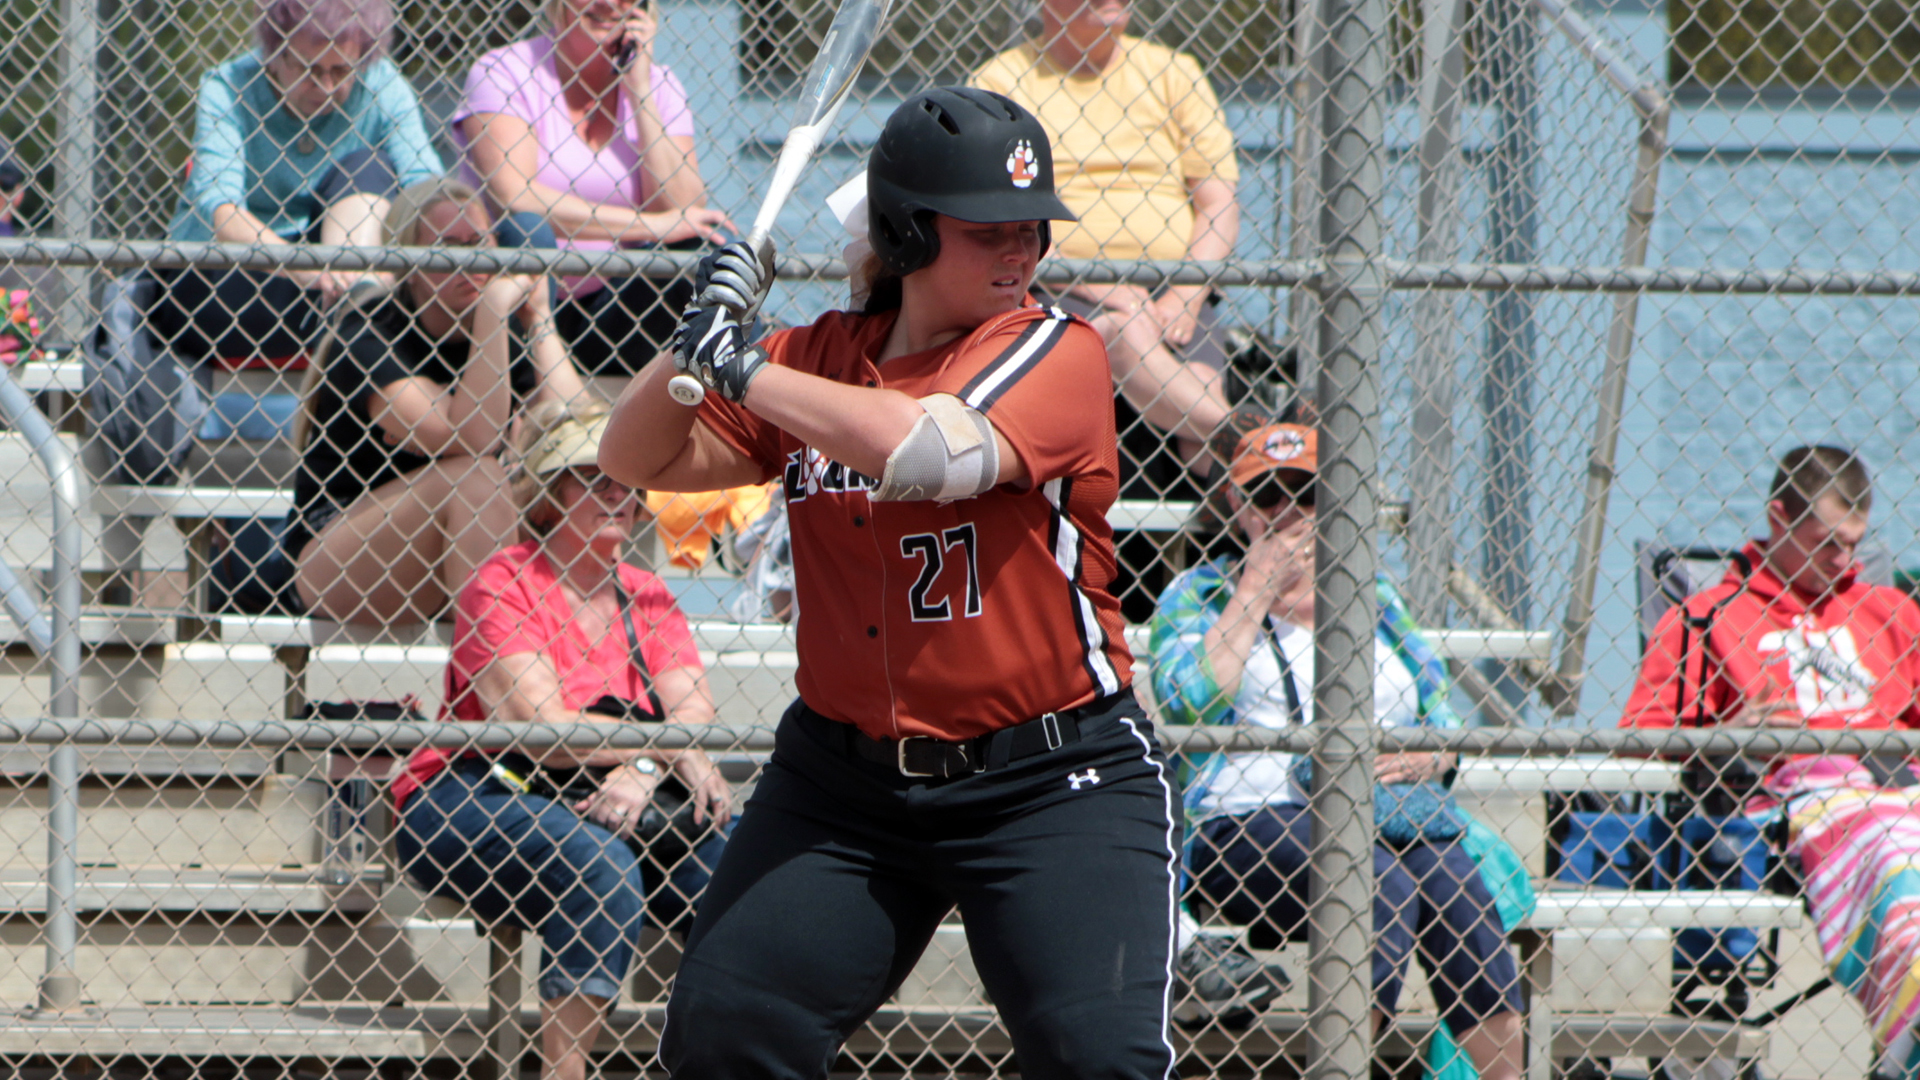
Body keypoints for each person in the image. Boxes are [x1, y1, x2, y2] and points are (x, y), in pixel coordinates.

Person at [599, 87, 1178, 1079]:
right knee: (726, 1034)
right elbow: (638, 454)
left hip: (1051, 777)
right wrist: (692, 341)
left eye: (1032, 229)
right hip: (845, 786)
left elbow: (931, 452)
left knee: (1097, 1060)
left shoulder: (1055, 347)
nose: (1022, 252)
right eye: (988, 230)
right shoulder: (816, 358)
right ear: (906, 234)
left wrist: (741, 367)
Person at [1152, 423, 1525, 1079]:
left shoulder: (1373, 598)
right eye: (1266, 495)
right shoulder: (1201, 596)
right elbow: (1189, 702)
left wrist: (1427, 756)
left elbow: (1441, 714)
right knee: (1372, 878)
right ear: (1237, 508)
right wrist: (1255, 593)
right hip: (1248, 821)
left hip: (1380, 810)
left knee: (1457, 885)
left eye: (1306, 492)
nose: (1287, 510)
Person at [394, 400, 732, 1080]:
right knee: (597, 860)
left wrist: (642, 764)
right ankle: (565, 1072)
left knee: (737, 858)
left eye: (624, 482)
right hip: (470, 788)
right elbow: (543, 729)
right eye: (591, 478)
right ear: (551, 493)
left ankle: (730, 1059)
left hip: (607, 789)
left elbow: (697, 710)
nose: (615, 494)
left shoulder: (648, 594)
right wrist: (665, 750)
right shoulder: (503, 581)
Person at [1620, 446, 1920, 1077]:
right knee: (1894, 850)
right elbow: (1634, 739)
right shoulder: (1707, 617)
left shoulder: (1890, 613)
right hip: (1794, 798)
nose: (1844, 560)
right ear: (1778, 519)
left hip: (1898, 782)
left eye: (1854, 544)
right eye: (1827, 543)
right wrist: (1726, 734)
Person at [971, 0, 1243, 619]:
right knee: (1122, 330)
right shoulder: (1005, 82)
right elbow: (1001, 213)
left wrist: (1187, 293)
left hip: (1176, 290)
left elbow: (1217, 202)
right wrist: (1100, 285)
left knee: (1195, 401)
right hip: (1054, 281)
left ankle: (1225, 579)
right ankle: (1245, 438)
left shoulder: (1173, 71)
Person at [284, 177, 587, 625]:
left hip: (460, 553)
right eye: (449, 247)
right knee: (478, 479)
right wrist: (494, 307)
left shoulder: (503, 331)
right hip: (345, 552)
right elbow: (474, 438)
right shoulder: (370, 335)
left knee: (583, 483)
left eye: (478, 243)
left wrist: (540, 318)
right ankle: (505, 674)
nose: (471, 261)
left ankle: (521, 666)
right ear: (409, 260)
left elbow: (583, 430)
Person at [151, 0, 445, 367]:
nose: (325, 86)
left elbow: (430, 190)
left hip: (340, 281)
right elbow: (224, 215)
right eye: (310, 69)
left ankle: (359, 307)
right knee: (380, 324)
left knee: (369, 166)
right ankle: (361, 317)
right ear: (273, 55)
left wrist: (388, 272)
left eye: (341, 70)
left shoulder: (382, 84)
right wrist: (313, 270)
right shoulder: (227, 86)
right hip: (229, 281)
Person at [457, 0, 736, 376]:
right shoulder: (504, 71)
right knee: (527, 228)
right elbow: (515, 197)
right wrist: (653, 226)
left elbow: (687, 211)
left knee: (701, 256)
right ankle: (530, 395)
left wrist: (639, 89)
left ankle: (742, 405)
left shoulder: (659, 84)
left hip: (615, 308)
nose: (607, 3)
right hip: (527, 304)